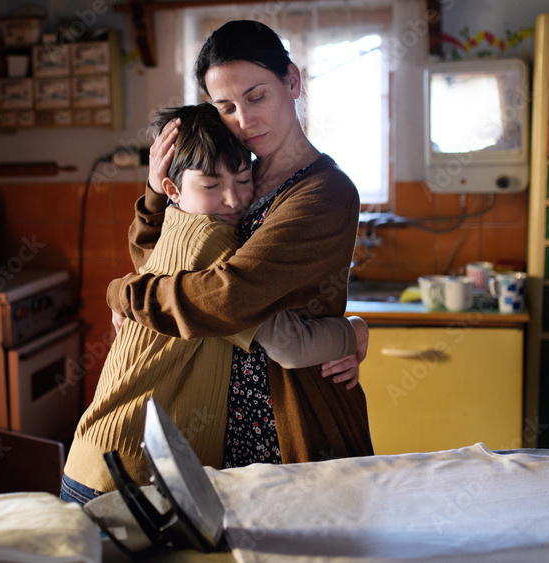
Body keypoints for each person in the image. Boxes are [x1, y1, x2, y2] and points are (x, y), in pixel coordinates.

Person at [61, 103, 369, 505]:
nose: (232, 199)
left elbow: (146, 259)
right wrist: (355, 331)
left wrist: (151, 199)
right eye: (210, 186)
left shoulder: (174, 223)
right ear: (174, 189)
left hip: (100, 456)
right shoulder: (217, 246)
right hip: (129, 476)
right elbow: (290, 346)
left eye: (243, 180)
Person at [107, 20, 375, 469]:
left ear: (292, 81)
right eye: (226, 106)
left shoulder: (324, 192)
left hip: (292, 422)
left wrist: (124, 294)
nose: (245, 121)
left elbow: (230, 297)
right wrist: (157, 193)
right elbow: (169, 264)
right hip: (213, 416)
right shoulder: (236, 170)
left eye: (257, 96)